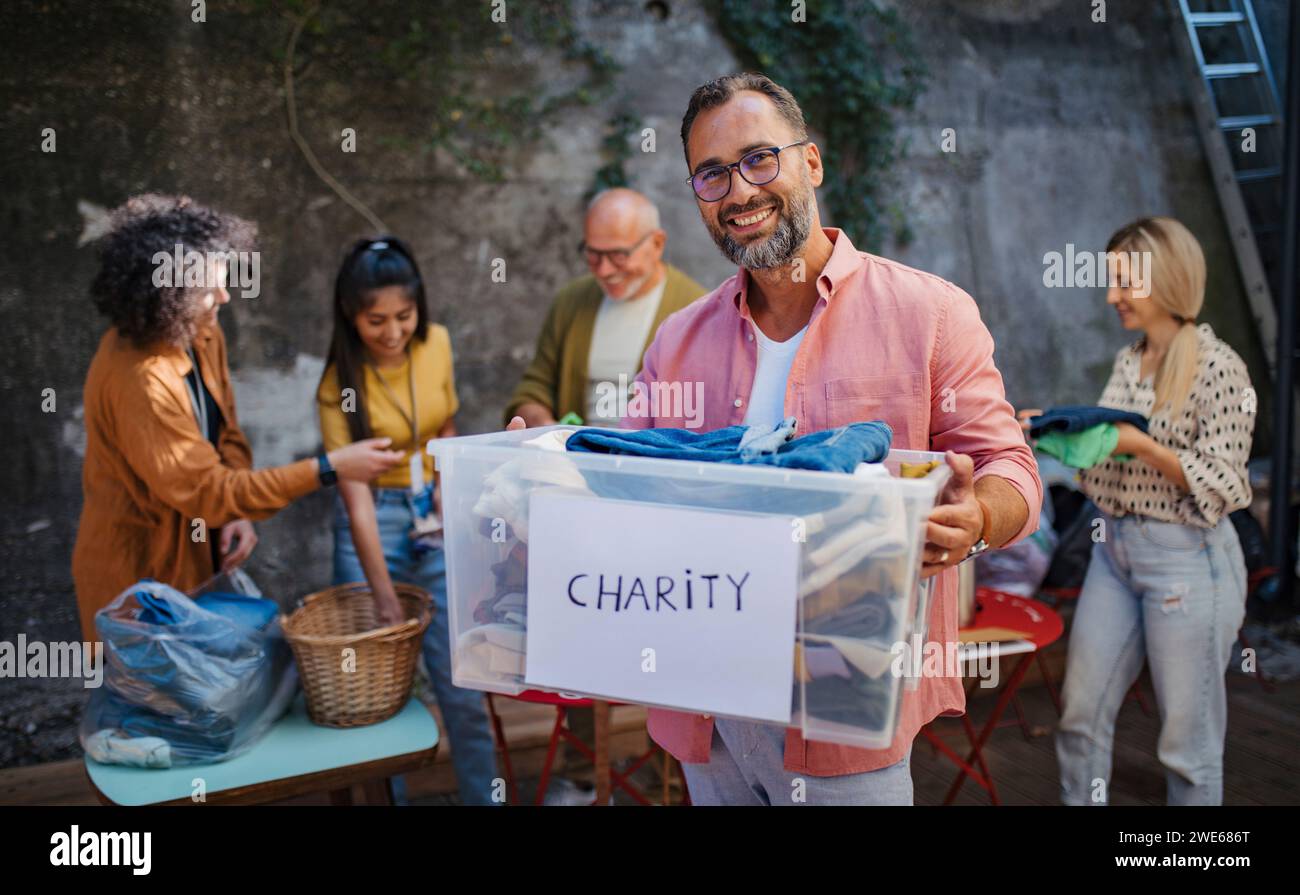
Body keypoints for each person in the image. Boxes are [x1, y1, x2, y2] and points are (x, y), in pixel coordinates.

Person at [511, 73, 1042, 805]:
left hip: (847, 708)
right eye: (711, 173)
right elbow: (623, 478)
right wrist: (539, 468)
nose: (739, 190)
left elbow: (1010, 467)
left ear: (811, 163)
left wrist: (978, 518)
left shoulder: (930, 313)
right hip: (707, 707)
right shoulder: (678, 338)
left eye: (760, 159)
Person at [73, 194, 401, 641]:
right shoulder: (140, 381)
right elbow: (209, 492)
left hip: (196, 556)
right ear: (168, 294)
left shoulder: (199, 329)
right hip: (136, 584)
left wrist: (234, 515)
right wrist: (329, 468)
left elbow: (226, 432)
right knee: (155, 703)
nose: (225, 296)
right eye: (210, 288)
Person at [1021, 217, 1254, 806]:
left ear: (1168, 280)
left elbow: (1226, 484)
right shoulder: (1131, 360)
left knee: (1188, 748)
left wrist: (1143, 446)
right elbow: (1108, 457)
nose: (1110, 296)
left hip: (1187, 562)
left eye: (1124, 282)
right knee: (1079, 716)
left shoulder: (1219, 367)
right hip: (1115, 553)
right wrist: (1059, 434)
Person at [317, 236, 498, 806]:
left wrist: (446, 489)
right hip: (374, 527)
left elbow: (445, 424)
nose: (393, 332)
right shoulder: (336, 386)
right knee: (380, 698)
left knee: (463, 684)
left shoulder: (437, 345)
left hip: (435, 515)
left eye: (404, 316)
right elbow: (355, 500)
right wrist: (382, 592)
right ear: (352, 315)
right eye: (376, 321)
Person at [506, 188, 706, 428]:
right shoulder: (571, 302)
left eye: (619, 255)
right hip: (574, 457)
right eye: (593, 254)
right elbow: (535, 387)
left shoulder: (698, 311)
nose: (604, 270)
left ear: (657, 243)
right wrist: (545, 425)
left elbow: (708, 413)